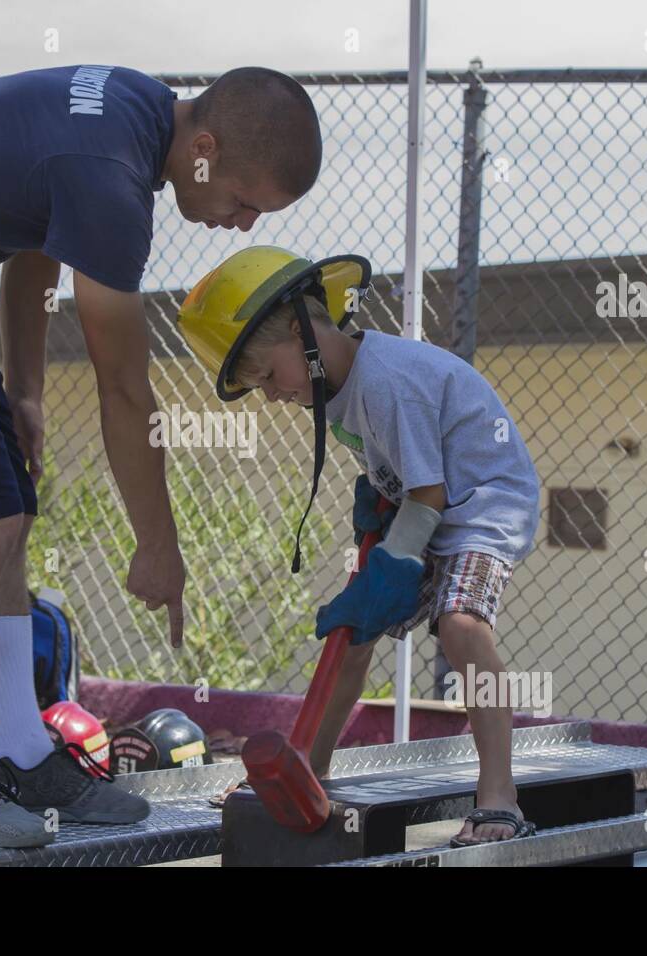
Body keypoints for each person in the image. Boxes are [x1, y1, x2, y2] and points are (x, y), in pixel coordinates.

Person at [0, 67, 323, 847]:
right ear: (204, 148)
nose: (242, 224)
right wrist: (158, 544)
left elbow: (35, 248)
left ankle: (23, 752)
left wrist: (27, 390)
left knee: (8, 505)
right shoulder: (112, 176)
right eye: (244, 202)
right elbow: (124, 389)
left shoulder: (135, 118)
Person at [178, 246, 542, 845]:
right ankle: (305, 773)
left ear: (303, 333)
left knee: (460, 623)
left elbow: (431, 491)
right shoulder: (338, 385)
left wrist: (395, 559)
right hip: (425, 504)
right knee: (351, 635)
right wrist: (380, 494)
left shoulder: (385, 381)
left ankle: (500, 796)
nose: (270, 395)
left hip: (482, 502)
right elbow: (407, 478)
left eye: (269, 375)